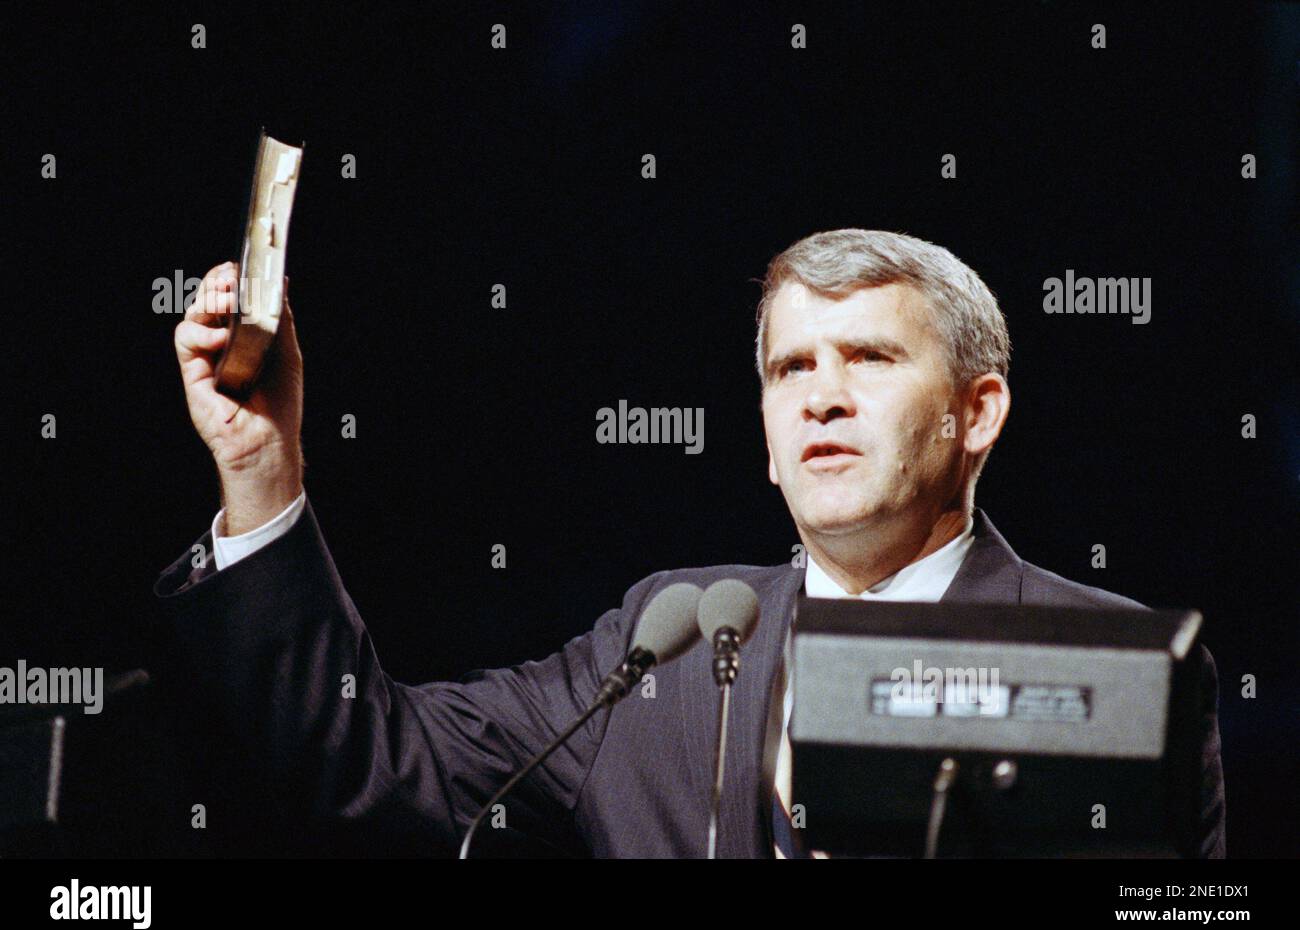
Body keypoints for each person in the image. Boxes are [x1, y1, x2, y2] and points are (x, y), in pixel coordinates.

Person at [159, 228, 1225, 857]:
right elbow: (370, 763)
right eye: (789, 370)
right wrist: (261, 472)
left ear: (976, 412)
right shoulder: (663, 644)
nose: (823, 399)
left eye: (867, 358)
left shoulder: (1116, 667)